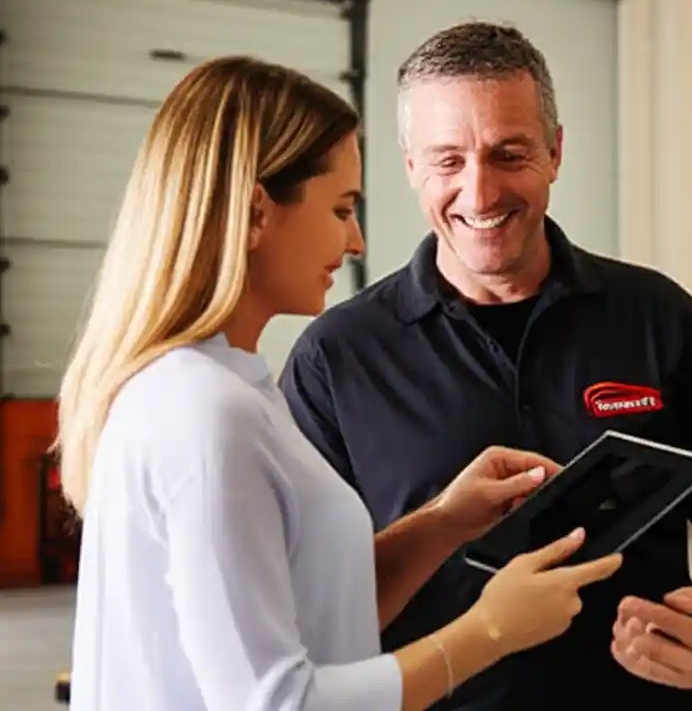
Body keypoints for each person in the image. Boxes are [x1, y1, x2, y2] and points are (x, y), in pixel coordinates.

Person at [55, 55, 621, 711]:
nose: (355, 240)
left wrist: (443, 523)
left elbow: (316, 613)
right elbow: (276, 702)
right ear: (258, 212)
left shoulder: (226, 391)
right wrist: (489, 630)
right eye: (342, 208)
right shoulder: (204, 414)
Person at [280, 21, 692, 710]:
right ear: (410, 165)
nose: (481, 192)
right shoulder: (336, 358)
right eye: (448, 161)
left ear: (555, 152)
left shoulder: (655, 316)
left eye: (508, 153)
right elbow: (307, 610)